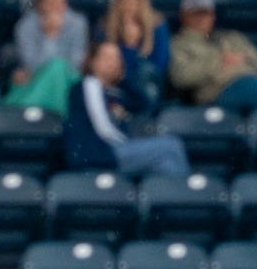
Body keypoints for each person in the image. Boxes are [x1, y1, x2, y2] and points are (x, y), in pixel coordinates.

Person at [67, 41, 188, 176]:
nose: (112, 62)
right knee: (171, 146)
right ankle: (187, 194)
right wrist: (127, 142)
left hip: (116, 151)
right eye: (106, 58)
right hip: (97, 152)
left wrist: (123, 78)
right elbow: (103, 128)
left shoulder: (115, 92)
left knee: (166, 164)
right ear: (93, 62)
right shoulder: (87, 85)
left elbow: (144, 104)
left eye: (116, 58)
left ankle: (175, 195)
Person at [3, 0, 85, 113]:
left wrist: (51, 37)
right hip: (36, 79)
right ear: (40, 3)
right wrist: (50, 36)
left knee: (58, 67)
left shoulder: (78, 23)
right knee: (52, 69)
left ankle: (26, 111)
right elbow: (32, 65)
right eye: (51, 0)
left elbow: (75, 64)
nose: (56, 5)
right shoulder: (25, 26)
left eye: (60, 0)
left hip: (68, 78)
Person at [103, 0, 168, 105]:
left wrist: (131, 47)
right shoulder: (106, 28)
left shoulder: (157, 26)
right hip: (115, 84)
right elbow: (106, 67)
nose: (129, 4)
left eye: (134, 0)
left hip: (146, 85)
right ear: (117, 2)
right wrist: (127, 45)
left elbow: (159, 66)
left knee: (145, 75)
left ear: (142, 2)